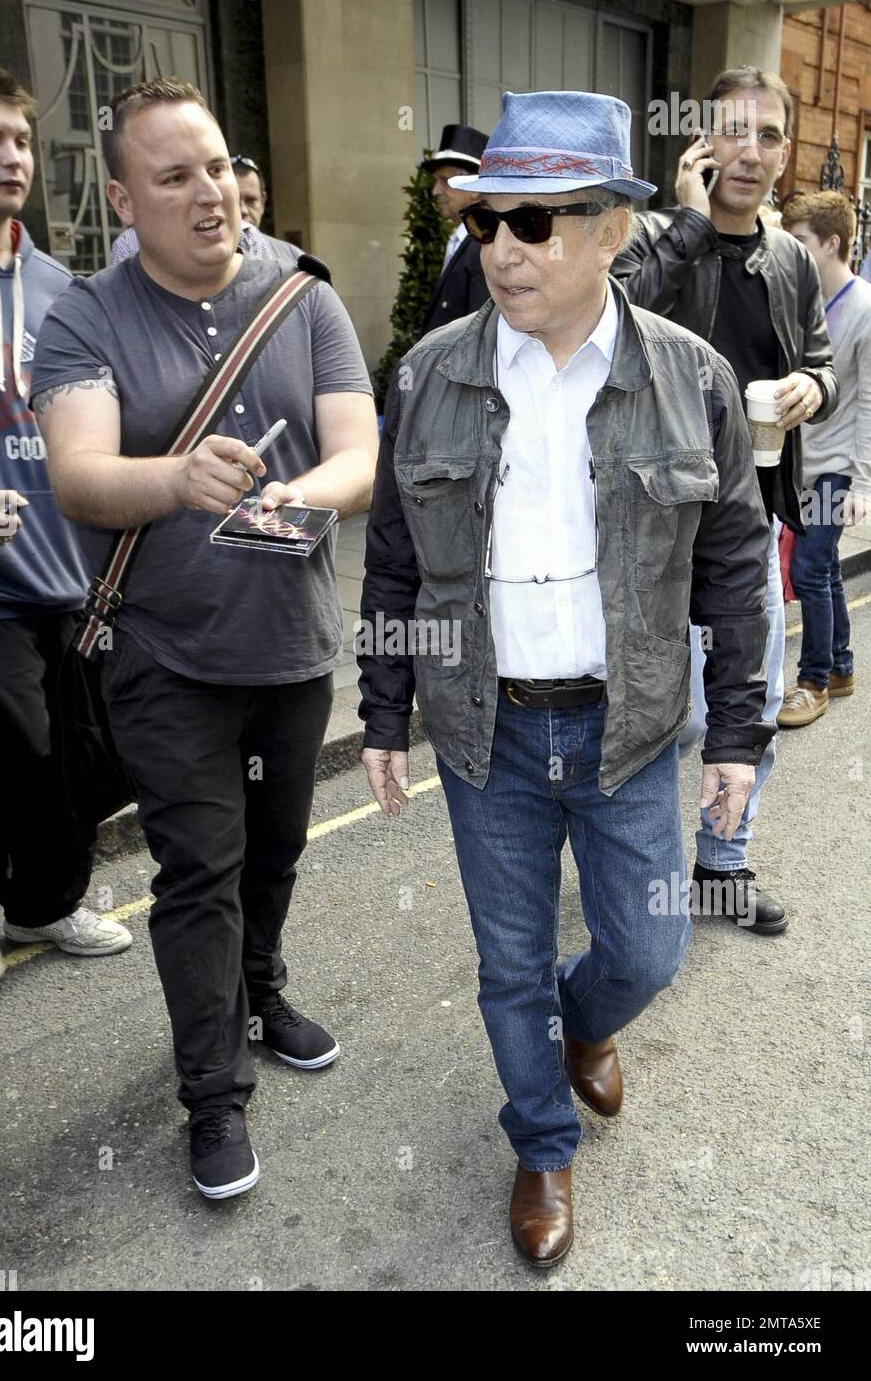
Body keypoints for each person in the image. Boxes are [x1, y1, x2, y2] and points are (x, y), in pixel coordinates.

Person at [358, 89, 773, 1268]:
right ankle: (541, 1140)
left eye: (534, 224)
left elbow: (738, 565)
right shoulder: (430, 372)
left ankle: (582, 1027)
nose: (500, 249)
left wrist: (735, 737)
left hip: (627, 729)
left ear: (609, 232)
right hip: (485, 735)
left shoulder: (687, 378)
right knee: (506, 966)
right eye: (489, 223)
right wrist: (384, 709)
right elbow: (393, 557)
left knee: (648, 952)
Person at [31, 77, 378, 1201]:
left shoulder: (303, 293)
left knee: (274, 853)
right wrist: (179, 480)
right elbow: (79, 478)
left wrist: (299, 503)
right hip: (164, 656)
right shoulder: (86, 314)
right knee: (197, 875)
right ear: (124, 200)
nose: (210, 194)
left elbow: (356, 452)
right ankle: (213, 1093)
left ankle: (263, 989)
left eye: (220, 166)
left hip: (290, 648)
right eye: (174, 177)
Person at [612, 66, 839, 936]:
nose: (751, 152)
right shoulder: (651, 238)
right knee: (655, 714)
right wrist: (691, 229)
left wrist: (811, 392)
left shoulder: (787, 259)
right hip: (655, 524)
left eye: (769, 135)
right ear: (701, 146)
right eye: (732, 133)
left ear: (785, 152)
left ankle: (723, 867)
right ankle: (638, 871)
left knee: (744, 705)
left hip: (754, 517)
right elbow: (613, 323)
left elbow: (818, 358)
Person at [0, 54, 131, 983]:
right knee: (1, 751)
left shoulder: (62, 287)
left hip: (69, 573)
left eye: (21, 138)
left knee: (76, 760)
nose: (12, 156)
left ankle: (46, 908)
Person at [778, 191, 870, 725]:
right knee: (826, 569)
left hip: (838, 467)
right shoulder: (802, 303)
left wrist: (862, 484)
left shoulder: (864, 308)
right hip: (800, 463)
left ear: (831, 243)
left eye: (801, 241)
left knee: (811, 567)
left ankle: (813, 681)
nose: (790, 249)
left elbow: (869, 405)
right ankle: (841, 666)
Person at [110, 152, 300, 267]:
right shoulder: (132, 243)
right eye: (175, 179)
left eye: (250, 200)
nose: (242, 210)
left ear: (264, 201)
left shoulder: (294, 259)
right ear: (123, 202)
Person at [419, 124, 490, 336]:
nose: (435, 191)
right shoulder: (460, 240)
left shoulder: (482, 245)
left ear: (475, 188)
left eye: (445, 181)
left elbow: (479, 329)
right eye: (435, 182)